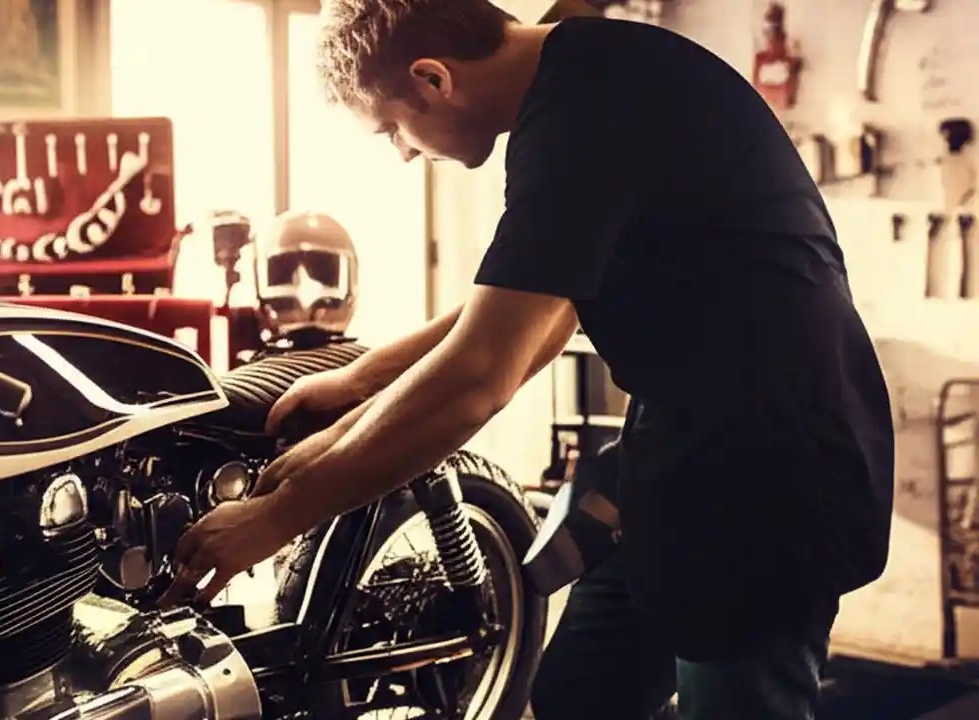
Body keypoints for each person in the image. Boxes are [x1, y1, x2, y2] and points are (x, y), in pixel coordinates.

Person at [160, 2, 894, 718]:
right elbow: (534, 307)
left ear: (432, 79)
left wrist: (274, 519)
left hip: (769, 467)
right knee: (580, 694)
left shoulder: (587, 112)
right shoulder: (580, 78)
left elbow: (482, 375)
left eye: (393, 130)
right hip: (678, 450)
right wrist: (361, 381)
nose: (406, 154)